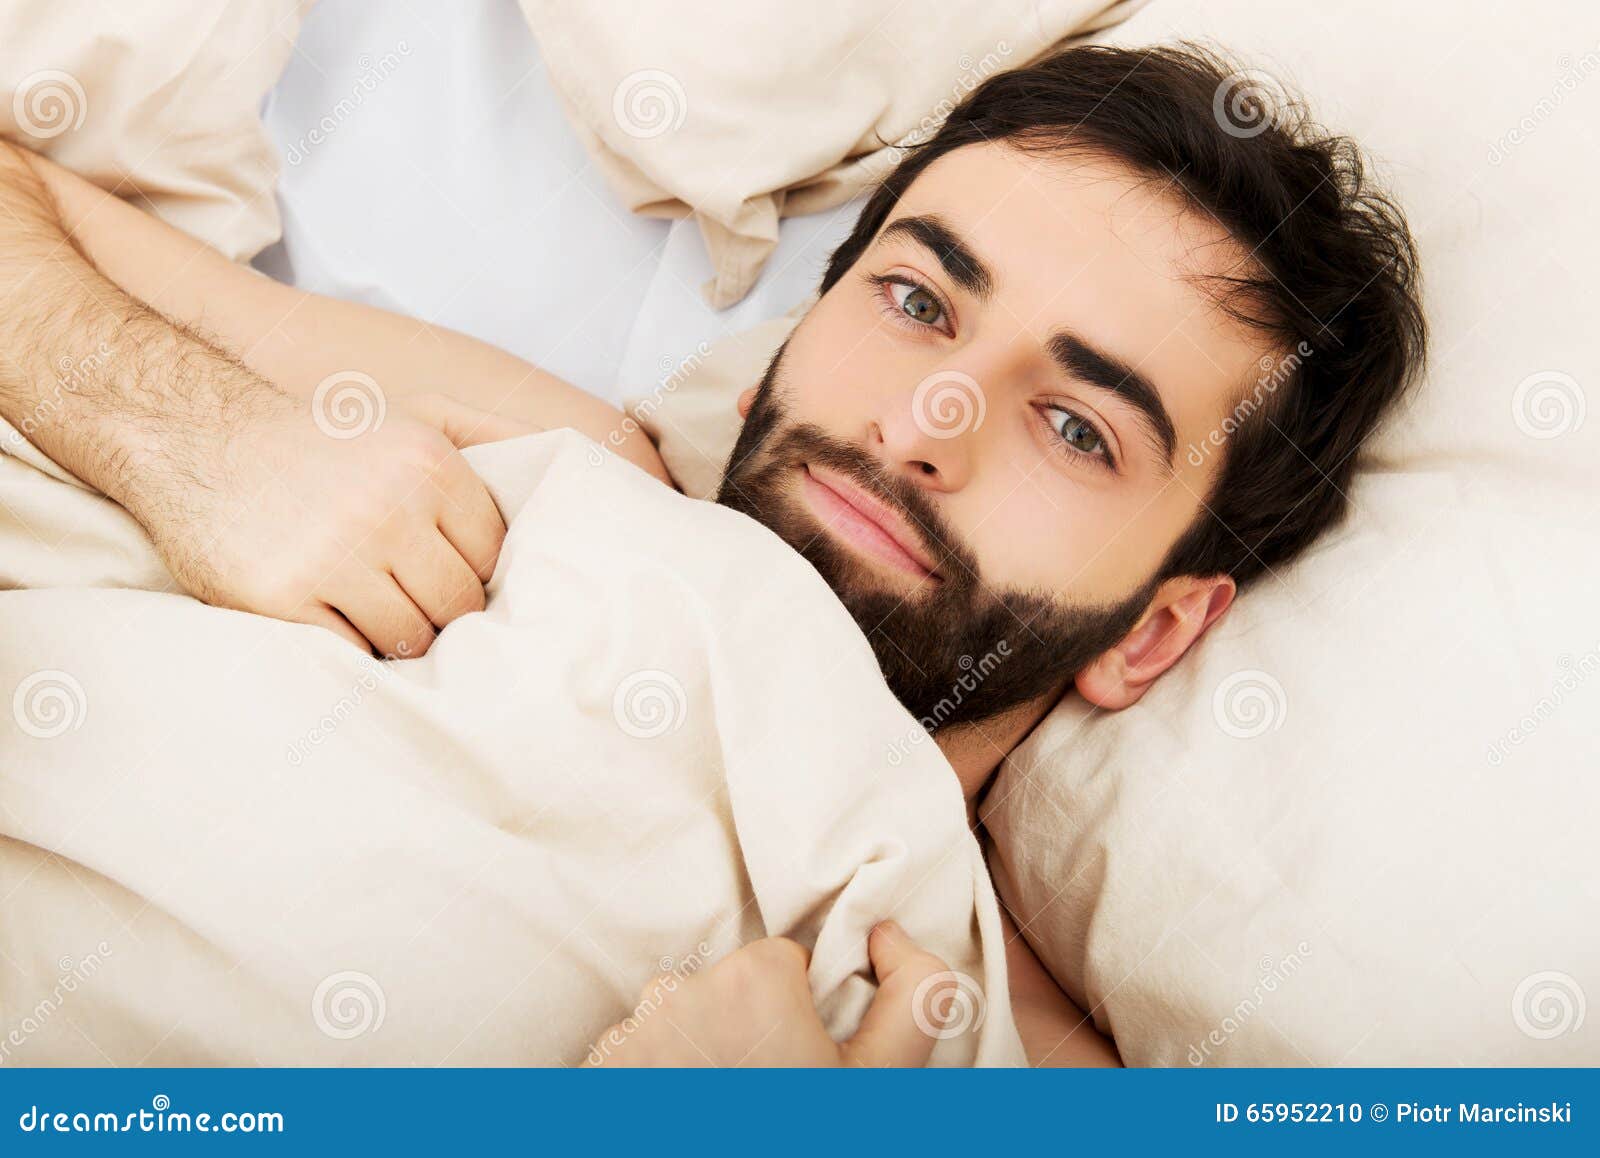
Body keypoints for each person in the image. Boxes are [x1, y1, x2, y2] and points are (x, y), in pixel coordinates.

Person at [0, 43, 1424, 1065]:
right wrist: (188, 437)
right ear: (776, 356)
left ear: (1155, 634)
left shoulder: (994, 1044)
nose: (927, 421)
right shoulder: (554, 465)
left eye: (1073, 423)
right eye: (919, 302)